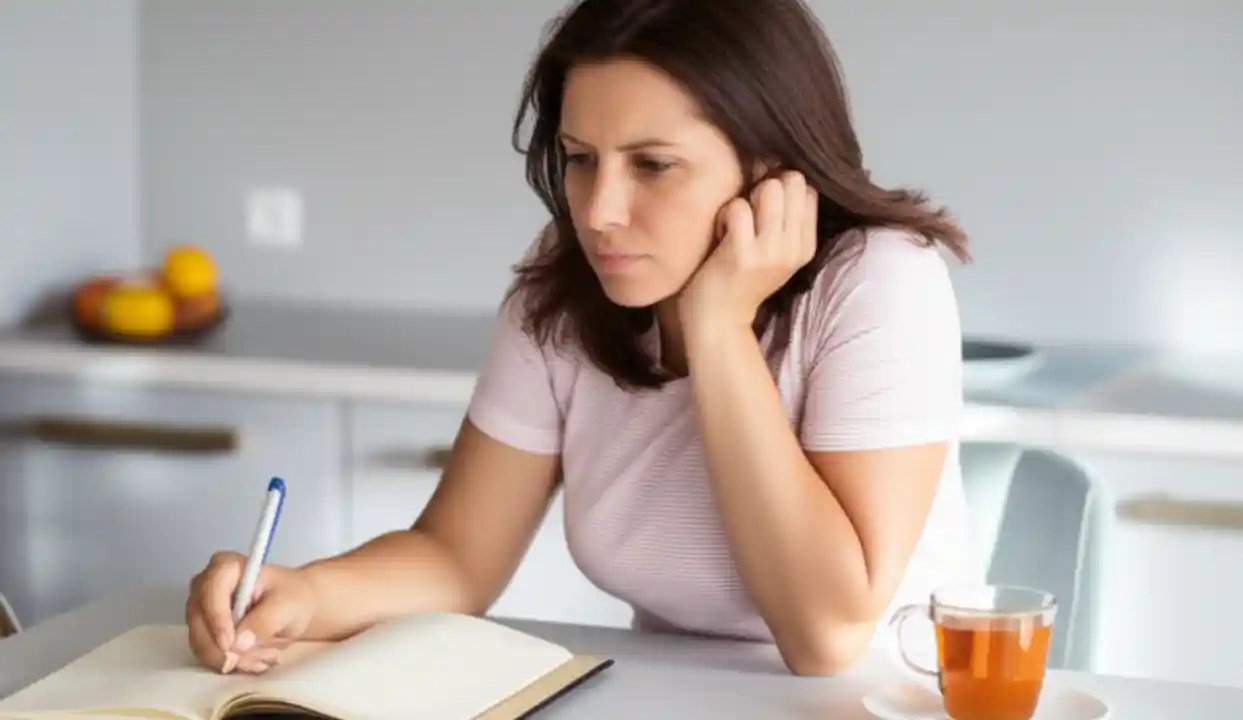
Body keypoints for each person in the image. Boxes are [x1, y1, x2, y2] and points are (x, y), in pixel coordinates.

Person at [185, 0, 979, 677]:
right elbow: (457, 556)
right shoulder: (565, 289)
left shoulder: (879, 280)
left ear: (772, 167)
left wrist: (717, 329)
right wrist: (305, 594)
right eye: (579, 159)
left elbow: (825, 637)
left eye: (654, 165)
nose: (598, 210)